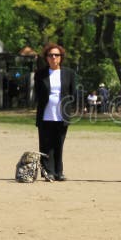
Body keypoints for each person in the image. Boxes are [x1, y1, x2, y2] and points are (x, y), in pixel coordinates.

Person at [34, 43, 78, 181]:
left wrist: (73, 107)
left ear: (61, 57)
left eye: (56, 55)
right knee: (46, 145)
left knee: (59, 144)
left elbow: (73, 92)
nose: (53, 57)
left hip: (62, 114)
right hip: (45, 114)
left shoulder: (69, 73)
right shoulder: (40, 74)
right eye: (50, 55)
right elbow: (37, 93)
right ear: (46, 58)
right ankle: (48, 172)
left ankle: (59, 172)